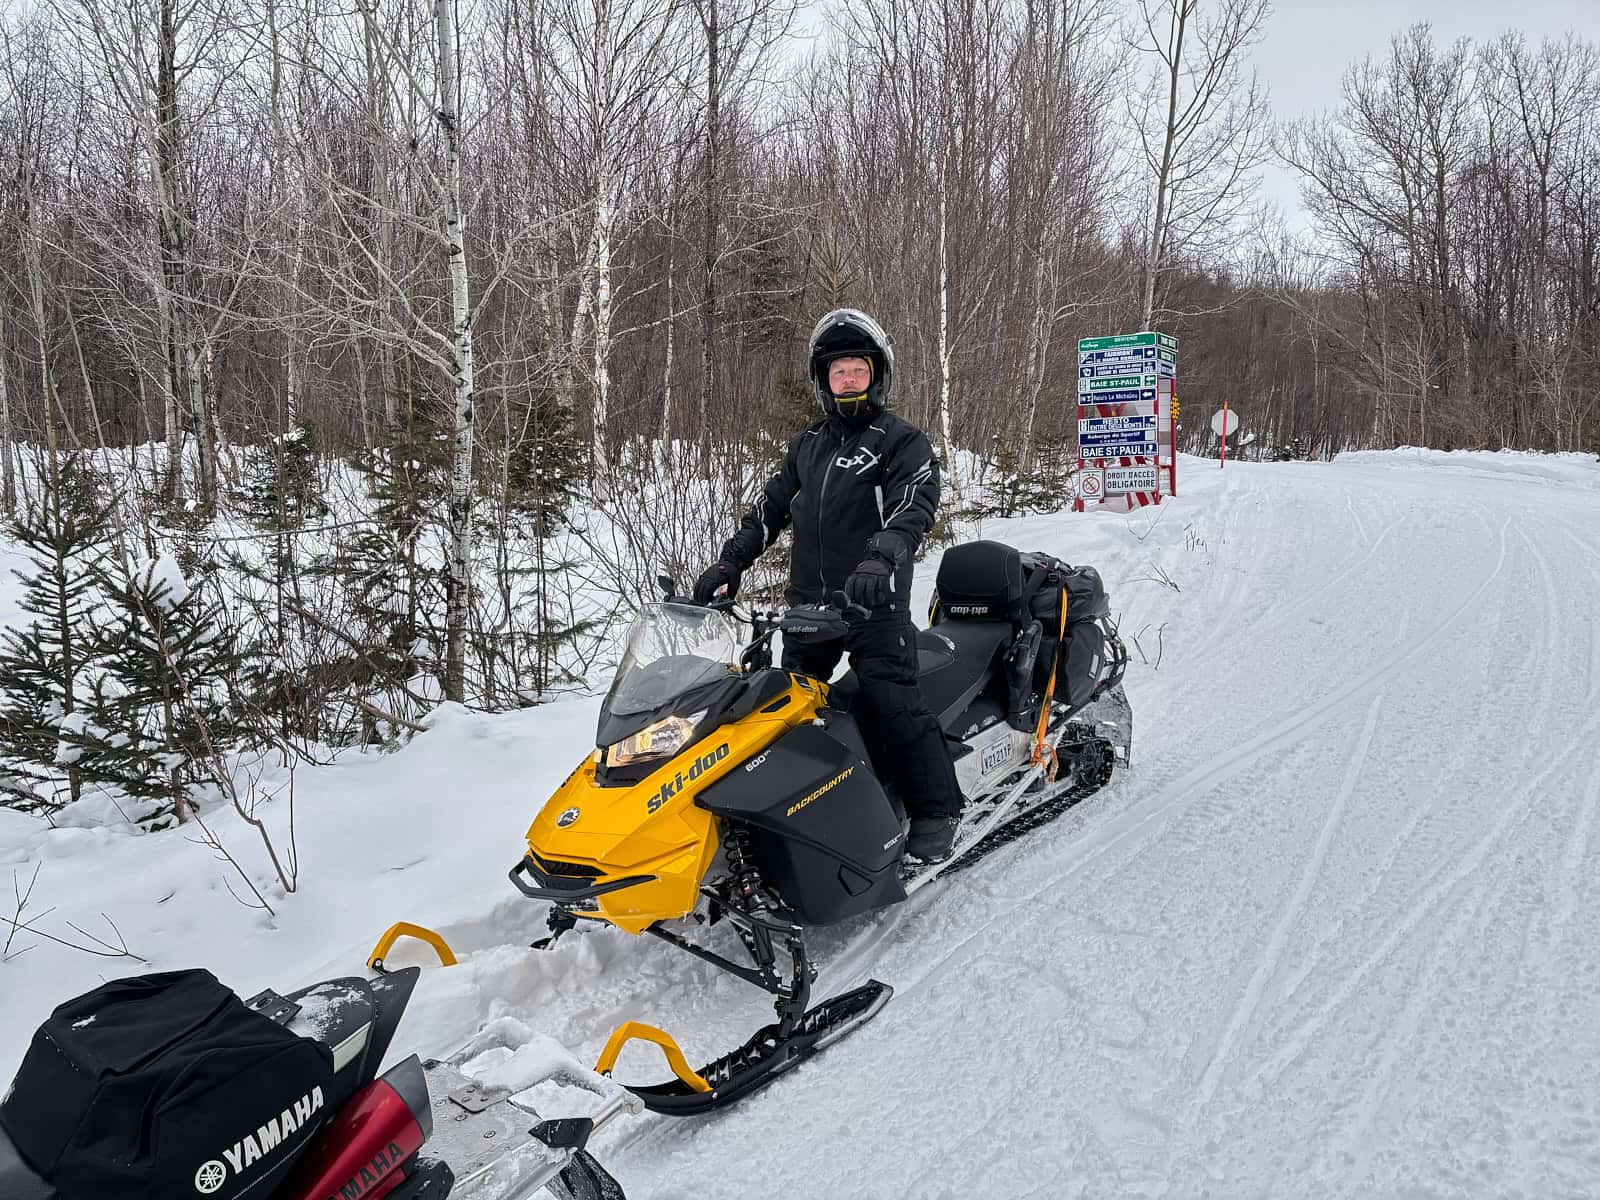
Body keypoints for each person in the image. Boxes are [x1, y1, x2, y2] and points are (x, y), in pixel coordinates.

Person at [693, 309, 964, 863]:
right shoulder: (807, 446)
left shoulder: (901, 441)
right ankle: (788, 818)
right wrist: (730, 565)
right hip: (808, 612)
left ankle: (937, 807)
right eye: (837, 371)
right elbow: (767, 512)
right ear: (823, 379)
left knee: (891, 700)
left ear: (876, 375)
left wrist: (880, 559)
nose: (846, 380)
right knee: (778, 713)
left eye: (856, 370)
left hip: (873, 603)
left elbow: (914, 507)